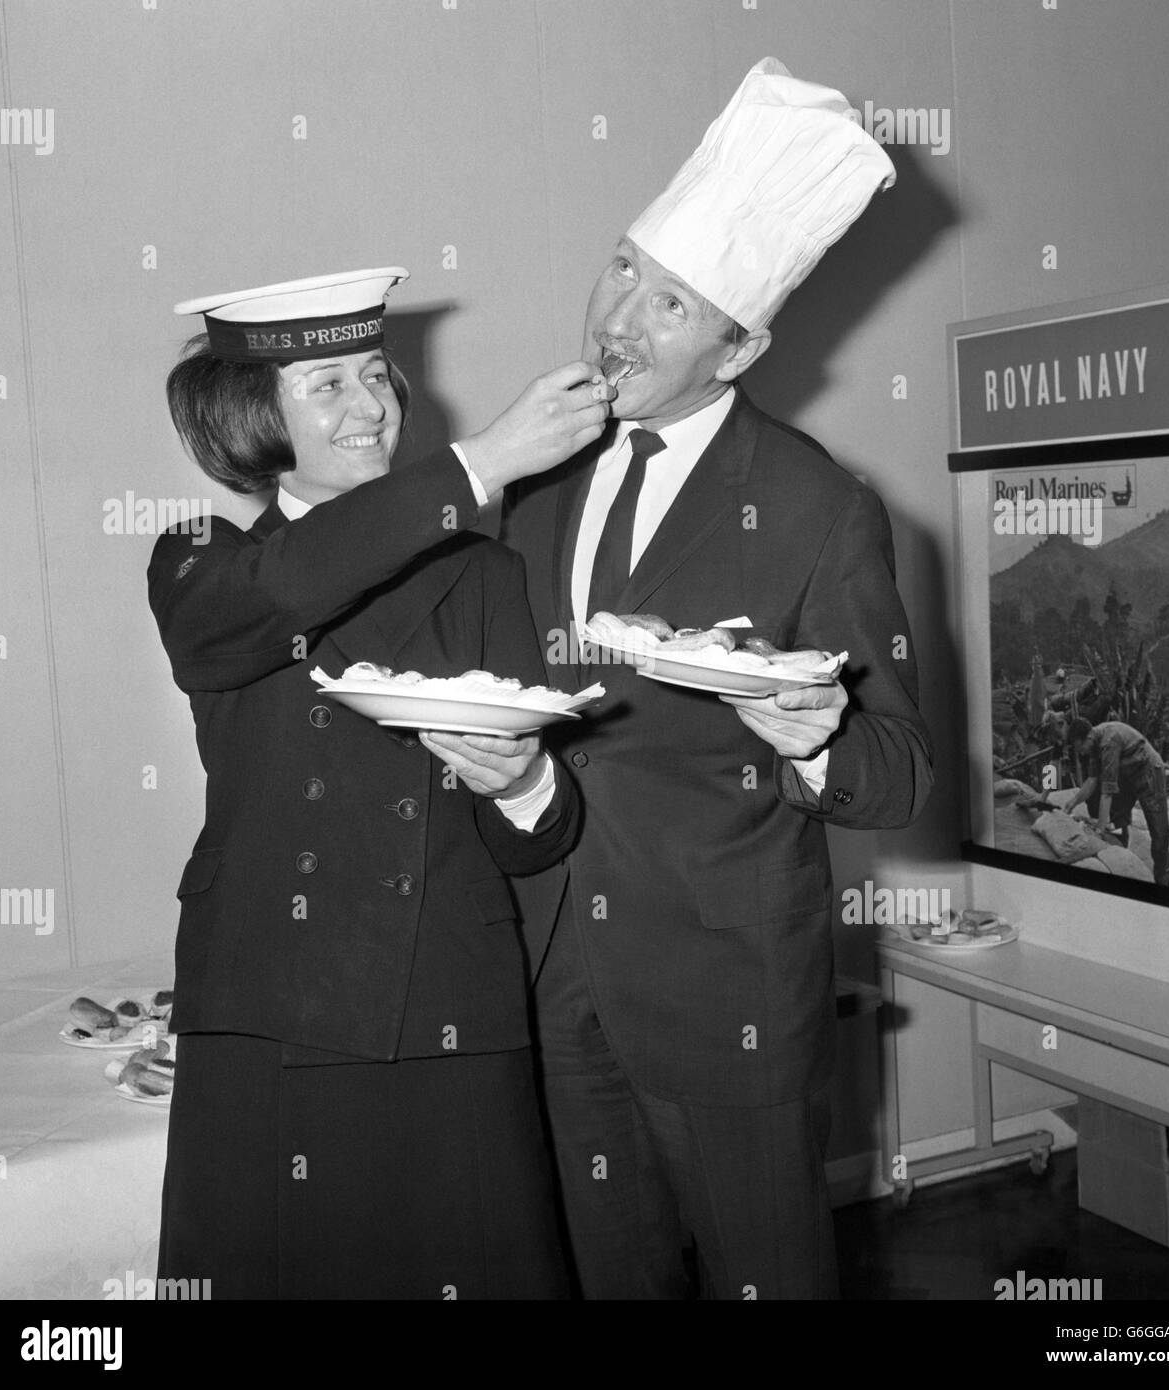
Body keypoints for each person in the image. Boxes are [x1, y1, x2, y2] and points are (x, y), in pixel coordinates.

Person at [501, 60, 934, 1298]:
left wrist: (807, 735)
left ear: (740, 345)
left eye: (674, 304)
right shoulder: (535, 475)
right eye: (625, 267)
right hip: (555, 980)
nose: (620, 318)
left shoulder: (815, 503)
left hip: (727, 995)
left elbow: (898, 773)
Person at [149, 266, 615, 1298]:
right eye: (327, 385)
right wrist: (481, 462)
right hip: (270, 1004)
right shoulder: (202, 561)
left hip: (449, 1001)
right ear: (253, 415)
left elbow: (541, 838)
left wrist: (523, 781)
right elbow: (287, 590)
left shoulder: (483, 575)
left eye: (377, 374)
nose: (370, 406)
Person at [1063, 717, 1169, 884]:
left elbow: (1107, 793)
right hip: (1129, 772)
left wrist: (1099, 830)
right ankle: (1123, 861)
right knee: (1118, 819)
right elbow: (1092, 780)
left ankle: (1163, 879)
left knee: (1158, 830)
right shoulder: (1093, 746)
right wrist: (1072, 802)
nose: (1081, 752)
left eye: (1080, 747)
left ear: (1088, 738)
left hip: (1150, 771)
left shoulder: (1109, 741)